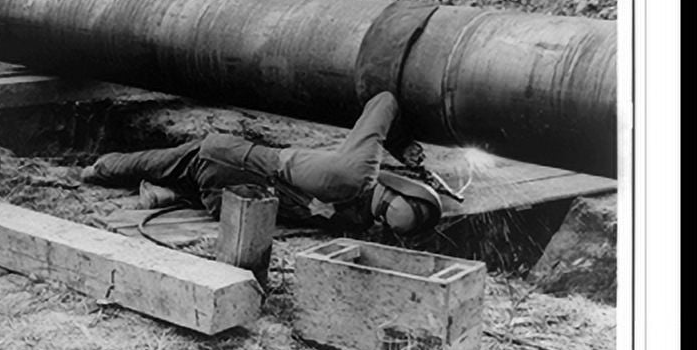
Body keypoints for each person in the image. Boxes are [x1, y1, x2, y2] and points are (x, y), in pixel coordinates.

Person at [81, 91, 443, 235]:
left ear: (399, 187)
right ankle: (170, 197)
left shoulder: (356, 174)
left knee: (142, 163)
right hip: (225, 204)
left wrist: (398, 142)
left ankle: (97, 169)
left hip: (222, 160)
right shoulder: (353, 222)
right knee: (190, 182)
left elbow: (385, 100)